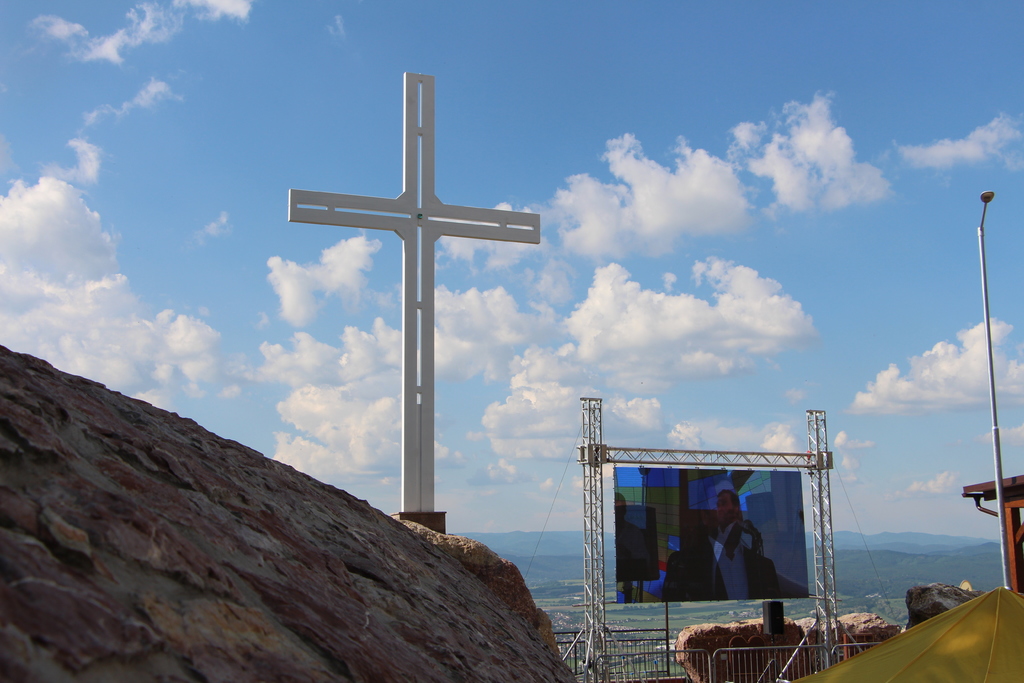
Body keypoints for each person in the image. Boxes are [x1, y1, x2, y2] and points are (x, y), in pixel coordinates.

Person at [663, 488, 780, 601]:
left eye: (735, 502)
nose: (731, 509)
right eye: (722, 503)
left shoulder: (764, 567)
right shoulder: (682, 564)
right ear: (705, 516)